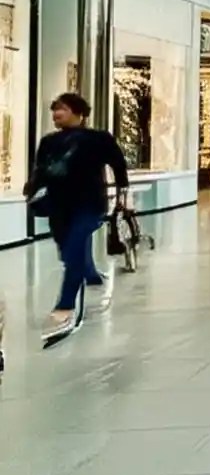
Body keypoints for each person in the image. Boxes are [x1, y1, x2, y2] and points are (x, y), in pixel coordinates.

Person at [25, 93, 129, 341]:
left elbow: (118, 164)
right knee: (67, 247)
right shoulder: (48, 142)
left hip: (89, 203)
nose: (56, 114)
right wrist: (32, 186)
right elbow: (41, 170)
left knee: (73, 249)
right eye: (54, 110)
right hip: (58, 206)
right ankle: (89, 273)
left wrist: (122, 193)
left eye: (61, 109)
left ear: (78, 113)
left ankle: (65, 304)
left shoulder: (97, 139)